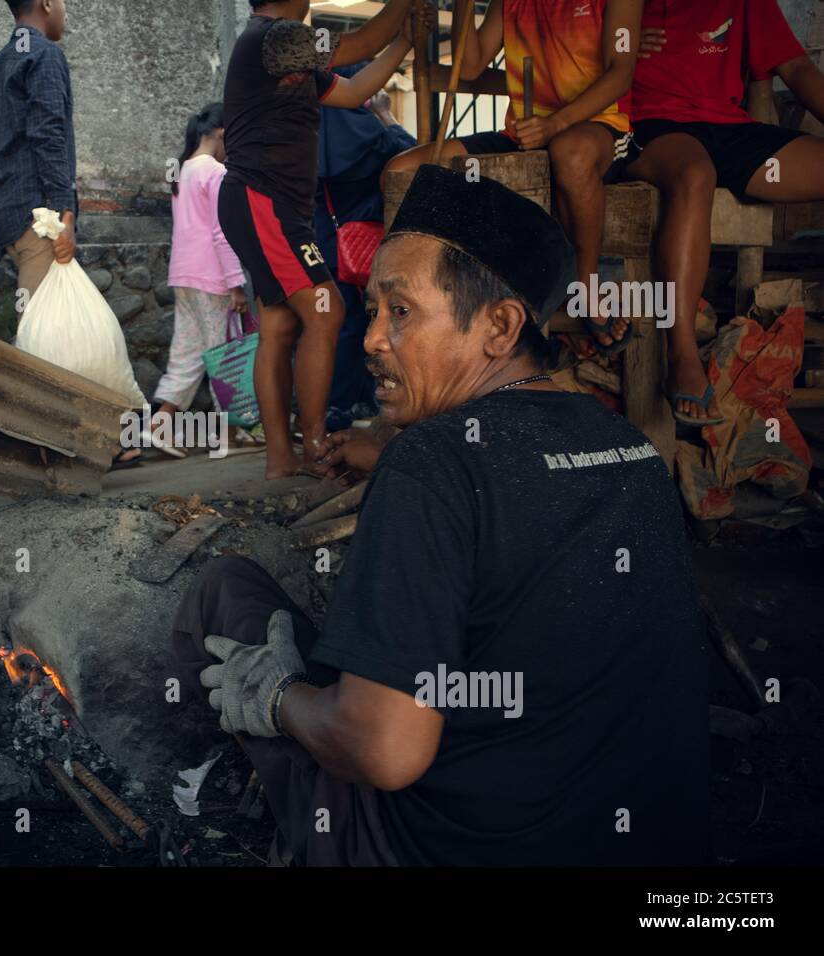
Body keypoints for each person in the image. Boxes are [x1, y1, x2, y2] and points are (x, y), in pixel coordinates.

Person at [172, 166, 710, 866]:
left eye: (401, 311)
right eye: (371, 311)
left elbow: (385, 750)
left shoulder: (434, 462)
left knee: (226, 591)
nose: (371, 339)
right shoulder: (631, 449)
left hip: (445, 849)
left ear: (498, 326)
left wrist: (279, 698)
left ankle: (212, 797)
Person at [219, 0, 415, 478]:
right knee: (328, 312)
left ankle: (282, 459)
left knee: (282, 327)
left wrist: (407, 40)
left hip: (272, 204)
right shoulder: (275, 36)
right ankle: (314, 448)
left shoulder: (286, 52)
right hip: (263, 200)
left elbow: (353, 91)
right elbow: (360, 45)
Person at [383, 0, 643, 355]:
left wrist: (554, 124)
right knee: (399, 172)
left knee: (570, 152)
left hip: (598, 128)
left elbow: (621, 71)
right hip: (524, 135)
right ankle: (449, 290)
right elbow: (471, 65)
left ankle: (585, 284)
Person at [626, 0, 824, 425]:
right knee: (696, 174)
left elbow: (796, 67)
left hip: (730, 129)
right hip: (649, 125)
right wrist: (616, 44)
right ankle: (681, 355)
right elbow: (568, 43)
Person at [315, 69, 416, 431]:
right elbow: (414, 153)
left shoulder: (307, 140)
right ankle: (368, 401)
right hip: (369, 253)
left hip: (322, 250)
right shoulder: (375, 137)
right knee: (373, 325)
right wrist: (385, 113)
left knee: (332, 328)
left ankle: (331, 406)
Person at [151, 103, 250, 451]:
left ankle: (159, 425)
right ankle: (227, 437)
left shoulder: (182, 171)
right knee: (224, 355)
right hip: (212, 279)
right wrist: (236, 284)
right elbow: (222, 232)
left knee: (188, 353)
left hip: (183, 276)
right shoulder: (216, 173)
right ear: (222, 134)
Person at [0, 0, 77, 299]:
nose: (66, 10)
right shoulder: (44, 55)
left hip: (7, 217)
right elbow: (48, 135)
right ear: (46, 3)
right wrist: (64, 214)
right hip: (41, 219)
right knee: (41, 335)